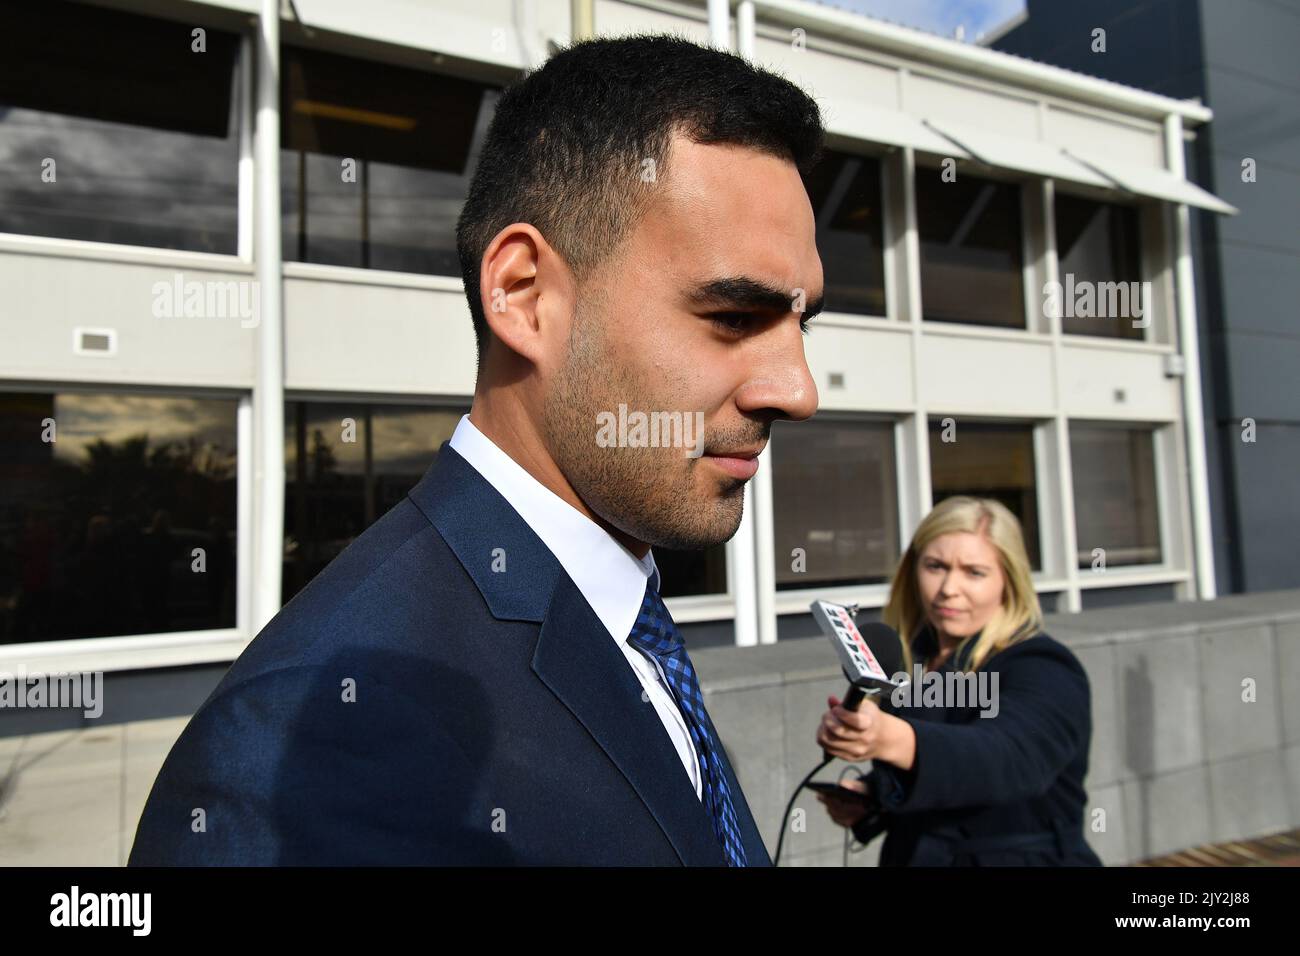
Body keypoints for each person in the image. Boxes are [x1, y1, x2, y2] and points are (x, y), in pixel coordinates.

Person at [129, 34, 825, 866]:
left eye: (800, 322)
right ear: (525, 297)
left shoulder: (626, 614)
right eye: (734, 318)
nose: (798, 388)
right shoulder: (308, 750)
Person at [815, 496, 1103, 865]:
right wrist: (871, 797)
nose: (949, 587)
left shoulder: (1044, 665)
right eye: (935, 566)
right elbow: (935, 785)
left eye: (974, 572)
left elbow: (1007, 758)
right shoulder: (912, 659)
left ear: (1009, 581)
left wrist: (888, 738)